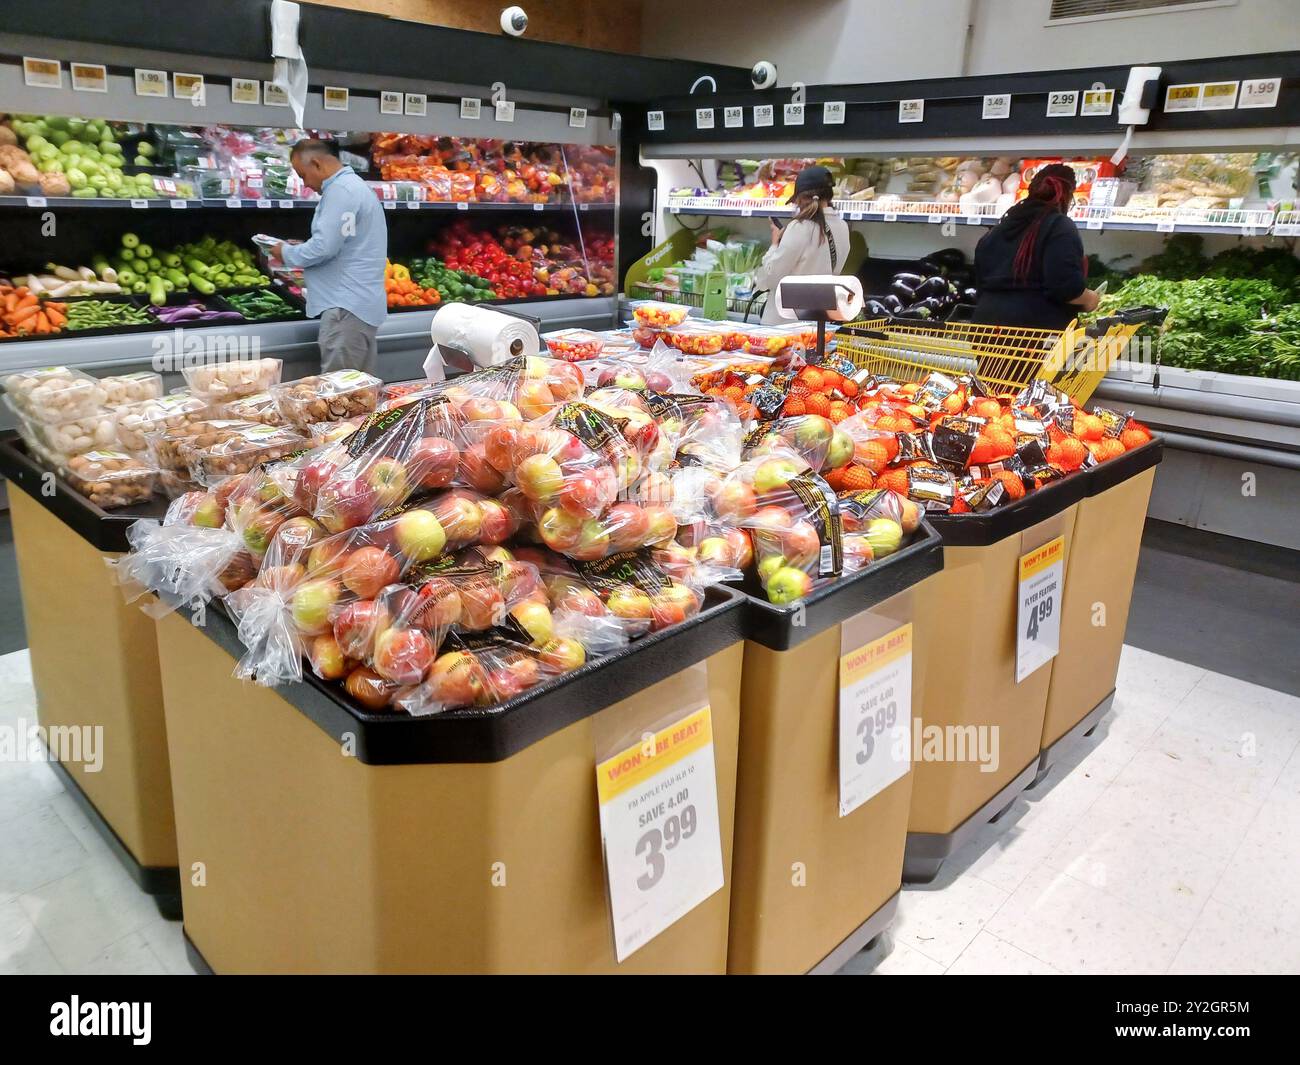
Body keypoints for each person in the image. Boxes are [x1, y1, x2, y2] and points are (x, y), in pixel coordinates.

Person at [274, 139, 387, 374]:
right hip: (357, 305)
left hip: (344, 309)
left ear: (316, 163)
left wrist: (285, 252)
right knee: (360, 391)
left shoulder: (341, 192)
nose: (305, 184)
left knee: (341, 396)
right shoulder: (353, 187)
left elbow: (324, 248)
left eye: (303, 175)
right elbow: (341, 240)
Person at [971, 163, 1100, 330]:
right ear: (1067, 196)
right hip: (1034, 336)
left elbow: (981, 284)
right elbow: (1065, 289)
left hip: (984, 331)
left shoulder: (996, 230)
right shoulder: (1058, 226)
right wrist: (1091, 299)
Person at [752, 164, 849, 326]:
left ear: (801, 198)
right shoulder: (843, 227)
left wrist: (775, 245)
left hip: (783, 325)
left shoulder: (800, 227)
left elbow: (771, 278)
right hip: (816, 325)